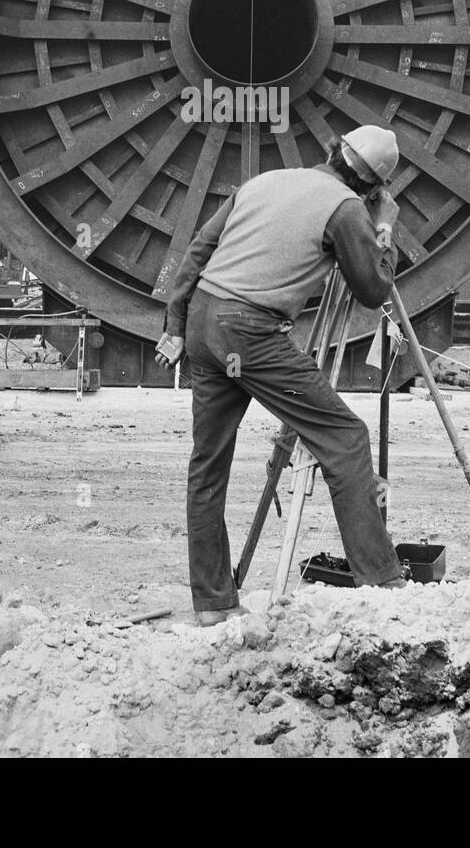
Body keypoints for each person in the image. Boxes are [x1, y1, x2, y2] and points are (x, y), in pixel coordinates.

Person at [159, 125, 407, 626]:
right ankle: (381, 583)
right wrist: (384, 232)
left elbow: (196, 254)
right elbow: (373, 290)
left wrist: (176, 327)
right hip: (249, 331)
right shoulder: (347, 209)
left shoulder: (264, 182)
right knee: (344, 437)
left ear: (333, 149)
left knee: (207, 466)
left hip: (204, 321)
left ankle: (212, 603)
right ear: (373, 187)